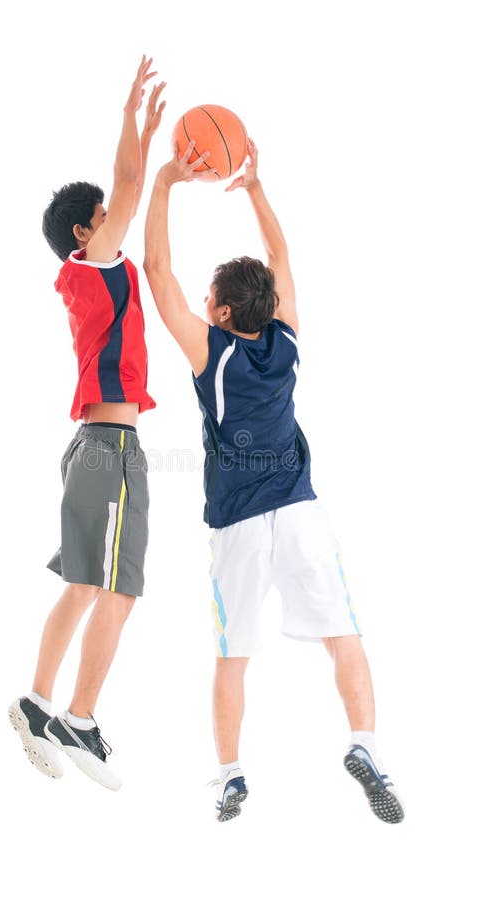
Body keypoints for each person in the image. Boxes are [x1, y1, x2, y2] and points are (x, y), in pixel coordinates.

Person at [143, 138, 404, 823]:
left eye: (208, 299)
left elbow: (155, 269)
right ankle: (366, 747)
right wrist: (254, 190)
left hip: (236, 523)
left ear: (223, 313)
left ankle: (230, 777)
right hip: (299, 511)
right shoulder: (285, 339)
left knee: (233, 654)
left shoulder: (211, 351)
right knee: (343, 634)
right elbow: (281, 262)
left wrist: (166, 182)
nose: (200, 303)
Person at [8, 56, 165, 790]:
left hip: (106, 446)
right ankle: (59, 711)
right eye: (104, 216)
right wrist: (131, 113)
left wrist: (145, 131)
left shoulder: (100, 273)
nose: (115, 219)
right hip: (108, 447)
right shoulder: (88, 266)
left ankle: (56, 709)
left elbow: (127, 190)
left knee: (97, 585)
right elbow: (130, 186)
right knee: (103, 586)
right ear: (83, 231)